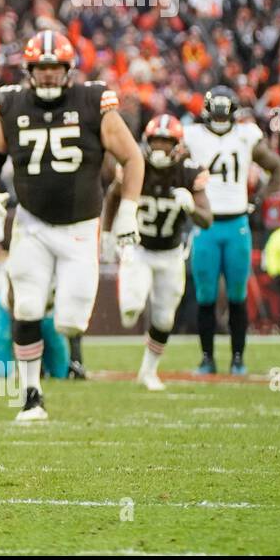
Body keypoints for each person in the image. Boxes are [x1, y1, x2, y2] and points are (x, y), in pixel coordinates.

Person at [0, 30, 145, 421]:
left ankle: (50, 295)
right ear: (30, 70)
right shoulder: (11, 103)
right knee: (28, 306)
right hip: (32, 224)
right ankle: (31, 394)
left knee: (69, 321)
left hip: (80, 227)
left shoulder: (92, 101)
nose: (49, 75)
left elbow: (133, 158)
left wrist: (128, 210)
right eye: (42, 68)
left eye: (55, 68)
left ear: (68, 70)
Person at [183, 87, 280, 374]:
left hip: (236, 224)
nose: (219, 118)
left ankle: (237, 358)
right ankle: (207, 358)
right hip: (206, 224)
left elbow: (279, 170)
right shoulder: (192, 136)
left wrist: (257, 199)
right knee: (205, 296)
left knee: (237, 295)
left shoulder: (246, 136)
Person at [104, 115, 212, 390]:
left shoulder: (188, 171)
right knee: (131, 310)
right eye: (157, 141)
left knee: (164, 318)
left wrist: (190, 206)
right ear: (147, 142)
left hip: (172, 253)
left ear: (178, 144)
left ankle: (148, 371)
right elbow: (112, 197)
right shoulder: (136, 165)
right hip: (138, 247)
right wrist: (106, 234)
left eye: (167, 142)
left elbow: (206, 218)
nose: (161, 147)